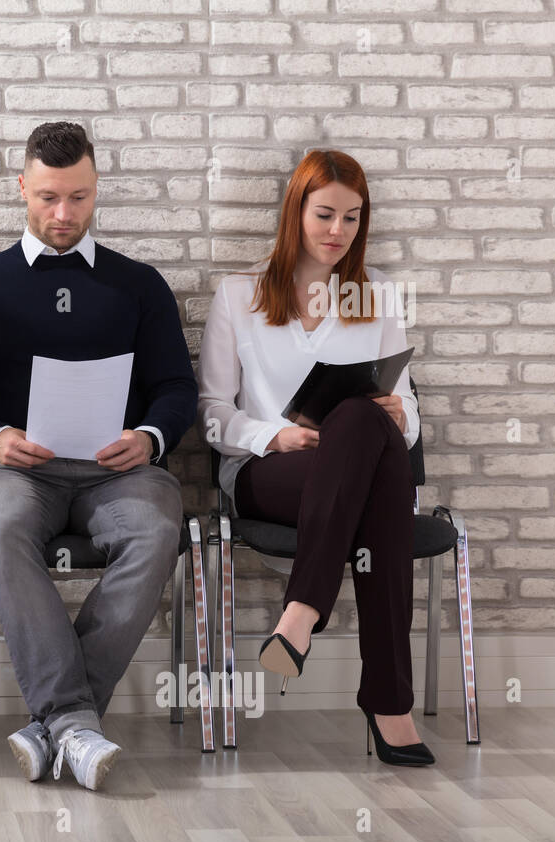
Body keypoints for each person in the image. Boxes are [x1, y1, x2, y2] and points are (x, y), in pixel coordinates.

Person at [0, 122, 197, 790]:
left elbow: (175, 389)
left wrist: (151, 438)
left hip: (118, 474)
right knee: (5, 525)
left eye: (78, 197)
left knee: (161, 527)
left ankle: (59, 723)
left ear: (97, 188)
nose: (63, 214)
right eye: (48, 197)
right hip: (12, 472)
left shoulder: (140, 286)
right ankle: (75, 721)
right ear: (22, 188)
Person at [196, 148, 433, 766]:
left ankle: (302, 614)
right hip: (267, 472)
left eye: (352, 219)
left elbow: (403, 410)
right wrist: (273, 436)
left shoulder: (376, 293)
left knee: (364, 420)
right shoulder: (239, 294)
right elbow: (213, 412)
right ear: (295, 210)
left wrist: (403, 420)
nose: (337, 232)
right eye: (325, 214)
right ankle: (389, 702)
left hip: (360, 471)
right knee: (371, 452)